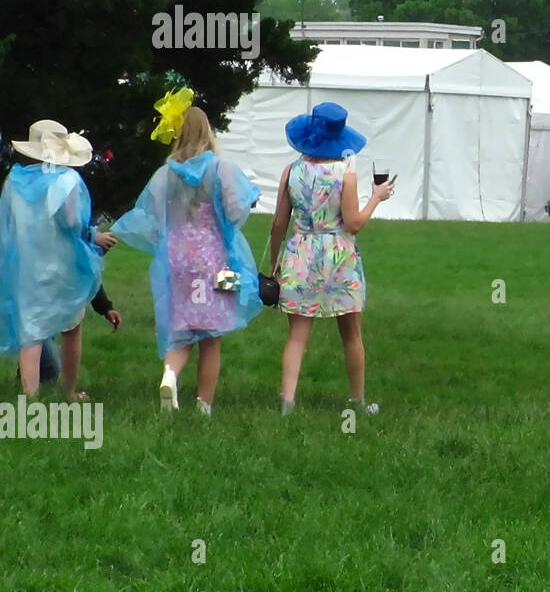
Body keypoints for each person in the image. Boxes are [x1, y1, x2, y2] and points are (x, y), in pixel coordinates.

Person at [112, 90, 263, 414]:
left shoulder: (165, 174)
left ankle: (170, 375)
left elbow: (151, 216)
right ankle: (204, 405)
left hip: (177, 258)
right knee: (211, 335)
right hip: (214, 258)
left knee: (181, 329)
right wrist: (250, 198)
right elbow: (235, 212)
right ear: (207, 132)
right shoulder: (221, 168)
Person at [270, 102, 393, 417]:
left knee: (297, 336)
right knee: (351, 334)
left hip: (300, 253)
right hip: (339, 257)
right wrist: (376, 198)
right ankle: (357, 401)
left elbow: (278, 224)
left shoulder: (291, 171)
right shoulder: (345, 174)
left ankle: (287, 403)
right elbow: (354, 223)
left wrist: (274, 263)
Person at [0, 120, 116, 398]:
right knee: (71, 328)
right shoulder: (67, 180)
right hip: (63, 266)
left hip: (27, 266)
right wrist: (94, 235)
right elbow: (73, 223)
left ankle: (30, 397)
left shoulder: (16, 181)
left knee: (32, 333)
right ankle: (69, 391)